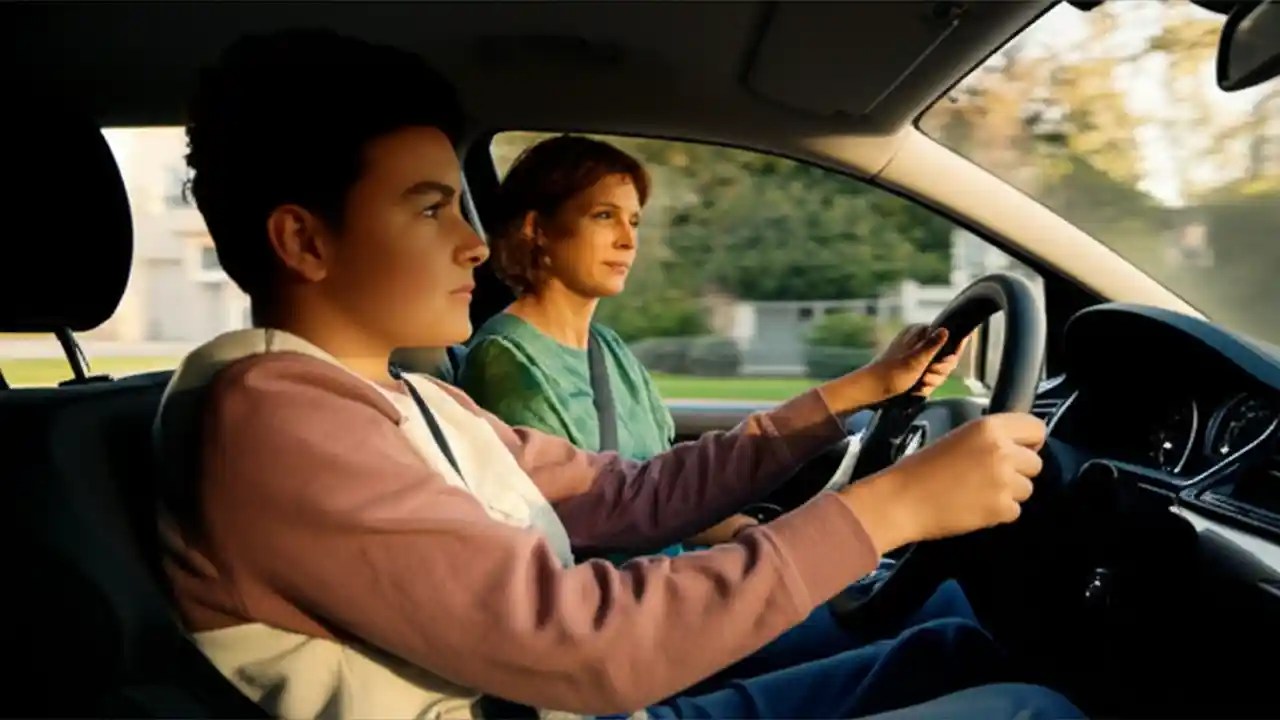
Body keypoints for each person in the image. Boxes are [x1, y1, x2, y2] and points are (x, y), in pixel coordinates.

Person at [152, 28, 1083, 720]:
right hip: (583, 691)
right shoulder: (271, 419)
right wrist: (896, 509)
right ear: (304, 240)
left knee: (951, 649)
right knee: (1030, 715)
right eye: (432, 209)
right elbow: (579, 638)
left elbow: (631, 493)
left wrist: (855, 394)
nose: (477, 243)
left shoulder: (413, 399)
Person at [459, 134, 977, 686]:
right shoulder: (507, 359)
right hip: (647, 624)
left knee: (932, 612)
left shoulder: (606, 349)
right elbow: (596, 523)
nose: (627, 239)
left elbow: (667, 485)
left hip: (685, 585)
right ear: (537, 228)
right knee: (944, 619)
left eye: (634, 221)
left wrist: (754, 529)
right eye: (604, 215)